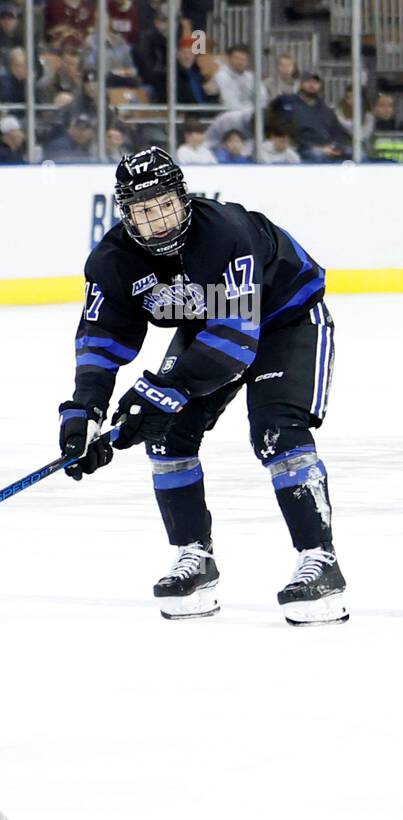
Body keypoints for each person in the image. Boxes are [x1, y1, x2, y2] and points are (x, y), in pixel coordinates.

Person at [59, 147, 347, 625]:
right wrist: (84, 412)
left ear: (183, 196)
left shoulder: (226, 234)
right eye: (143, 211)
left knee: (277, 431)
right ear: (125, 213)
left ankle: (321, 562)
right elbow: (101, 337)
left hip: (288, 323)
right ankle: (194, 558)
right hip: (207, 327)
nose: (158, 221)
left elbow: (236, 342)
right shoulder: (113, 261)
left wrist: (159, 391)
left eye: (165, 203)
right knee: (167, 436)